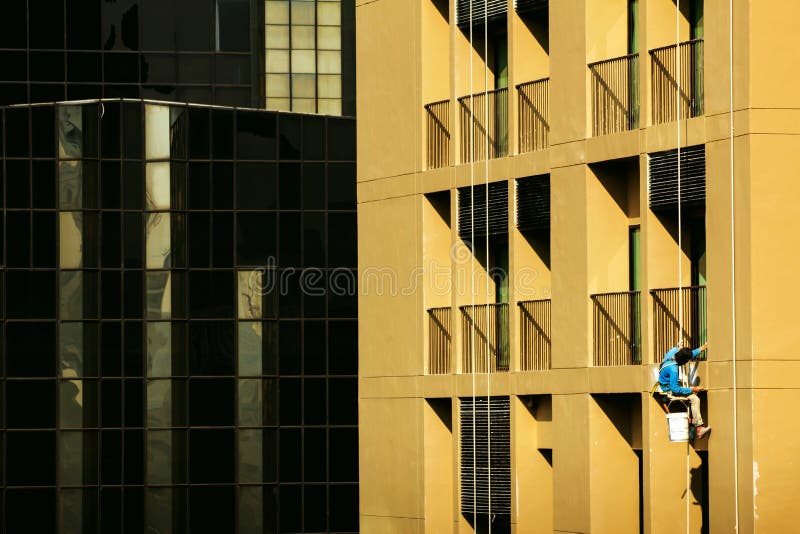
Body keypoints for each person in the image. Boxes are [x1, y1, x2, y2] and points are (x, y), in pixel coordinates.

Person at [658, 342, 710, 439]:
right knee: (695, 399)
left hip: (668, 384)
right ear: (684, 360)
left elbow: (685, 354)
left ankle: (693, 420)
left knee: (691, 393)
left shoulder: (673, 352)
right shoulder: (673, 369)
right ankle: (699, 428)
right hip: (669, 390)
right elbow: (675, 389)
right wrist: (693, 389)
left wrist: (701, 348)